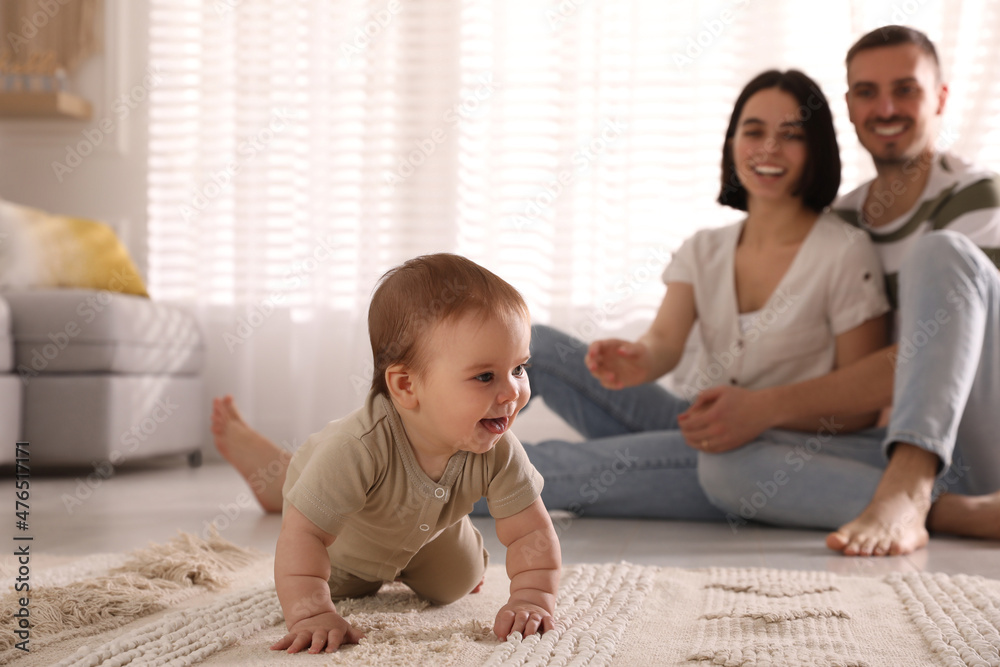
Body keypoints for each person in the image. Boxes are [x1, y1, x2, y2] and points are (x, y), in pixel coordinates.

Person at [214, 69, 891, 526]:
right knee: (539, 346)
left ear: (817, 147)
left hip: (764, 452)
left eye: (790, 133)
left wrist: (759, 416)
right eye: (754, 129)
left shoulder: (843, 252)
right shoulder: (707, 247)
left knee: (529, 468)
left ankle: (310, 484)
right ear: (733, 143)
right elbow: (662, 345)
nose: (768, 147)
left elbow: (860, 404)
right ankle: (352, 451)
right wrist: (629, 359)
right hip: (693, 417)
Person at [691, 25, 1000, 556]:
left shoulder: (976, 195)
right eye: (866, 92)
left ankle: (909, 488)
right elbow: (838, 376)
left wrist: (767, 406)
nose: (885, 107)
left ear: (941, 98)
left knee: (940, 253)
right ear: (850, 107)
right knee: (725, 465)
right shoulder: (843, 221)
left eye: (905, 89)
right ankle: (963, 512)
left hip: (984, 426)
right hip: (898, 437)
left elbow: (948, 355)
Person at [254, 253, 560, 654]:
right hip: (343, 547)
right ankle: (277, 477)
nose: (511, 392)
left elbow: (531, 532)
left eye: (519, 369)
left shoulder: (498, 448)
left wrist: (532, 597)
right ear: (406, 386)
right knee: (323, 581)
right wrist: (311, 615)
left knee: (460, 581)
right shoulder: (357, 447)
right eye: (485, 376)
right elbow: (305, 534)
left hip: (428, 537)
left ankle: (457, 541)